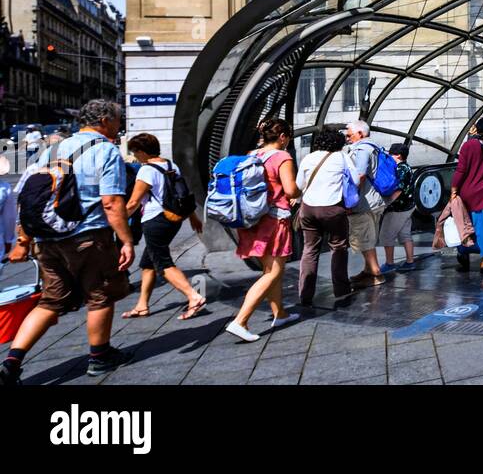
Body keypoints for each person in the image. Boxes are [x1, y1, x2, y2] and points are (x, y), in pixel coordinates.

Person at [1, 100, 134, 385]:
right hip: (87, 237)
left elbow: (27, 196)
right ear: (104, 120)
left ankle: (11, 362)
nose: (119, 124)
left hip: (47, 239)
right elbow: (111, 202)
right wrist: (126, 241)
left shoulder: (52, 149)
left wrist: (24, 240)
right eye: (117, 119)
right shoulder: (105, 150)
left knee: (50, 301)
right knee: (100, 295)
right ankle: (100, 358)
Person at [225, 117, 301, 342]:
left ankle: (280, 314)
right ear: (283, 137)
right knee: (275, 272)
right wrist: (298, 191)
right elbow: (289, 190)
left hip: (253, 219)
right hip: (274, 220)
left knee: (270, 270)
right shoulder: (282, 156)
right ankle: (241, 321)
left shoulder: (252, 155)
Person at [120, 133, 205, 320]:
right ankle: (142, 305)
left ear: (142, 151)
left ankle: (193, 296)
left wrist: (116, 222)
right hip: (172, 219)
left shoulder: (146, 171)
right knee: (148, 263)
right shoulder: (170, 165)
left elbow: (133, 202)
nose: (135, 156)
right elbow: (182, 193)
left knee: (163, 263)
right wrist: (192, 217)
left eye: (135, 152)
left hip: (155, 220)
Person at [296, 126, 357, 308]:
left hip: (308, 209)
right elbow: (354, 179)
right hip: (332, 209)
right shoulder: (342, 157)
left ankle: (305, 294)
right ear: (338, 142)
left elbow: (299, 184)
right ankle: (341, 289)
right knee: (338, 247)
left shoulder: (308, 158)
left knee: (310, 250)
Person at [450, 117, 483, 274]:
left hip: (470, 194)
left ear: (477, 129)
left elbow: (460, 170)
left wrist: (454, 190)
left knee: (470, 227)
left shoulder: (469, 146)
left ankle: (464, 251)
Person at [342, 119, 389, 288]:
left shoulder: (361, 149)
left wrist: (350, 200)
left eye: (349, 135)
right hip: (376, 201)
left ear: (360, 134)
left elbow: (360, 176)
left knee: (363, 238)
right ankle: (368, 270)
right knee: (369, 236)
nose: (347, 138)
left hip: (363, 203)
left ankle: (376, 273)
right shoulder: (375, 147)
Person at [379, 143, 417, 273]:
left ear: (398, 156)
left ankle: (389, 263)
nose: (389, 157)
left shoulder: (400, 169)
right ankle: (410, 262)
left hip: (398, 208)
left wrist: (386, 204)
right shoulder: (407, 167)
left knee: (386, 235)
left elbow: (398, 190)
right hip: (408, 206)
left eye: (391, 155)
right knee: (405, 234)